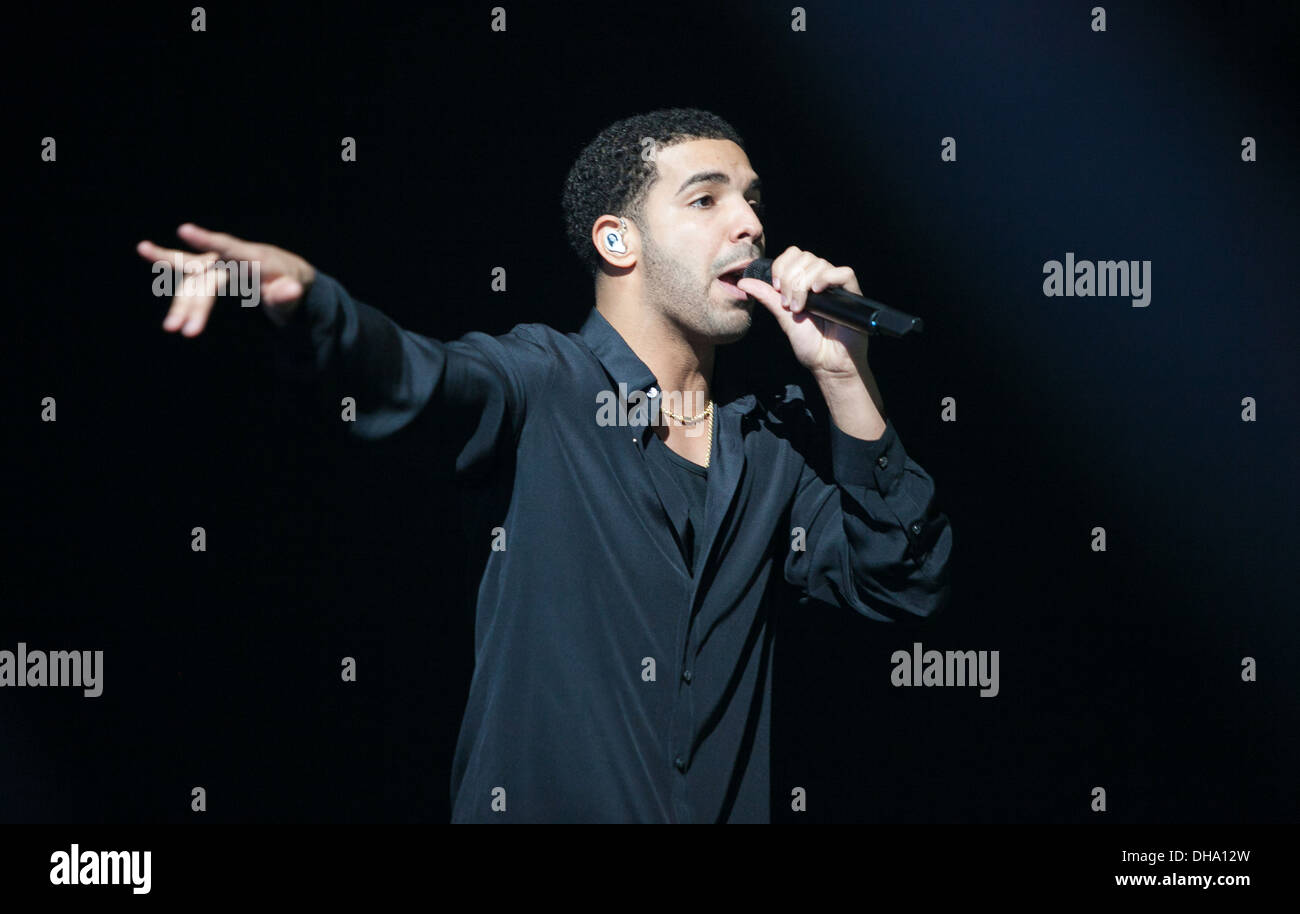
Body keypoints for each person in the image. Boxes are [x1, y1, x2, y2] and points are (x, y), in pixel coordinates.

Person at [136, 108, 953, 823]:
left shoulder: (771, 449)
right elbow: (415, 374)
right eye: (707, 200)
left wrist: (845, 374)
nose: (748, 224)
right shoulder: (544, 384)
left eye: (751, 201)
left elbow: (902, 582)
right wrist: (314, 299)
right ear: (615, 239)